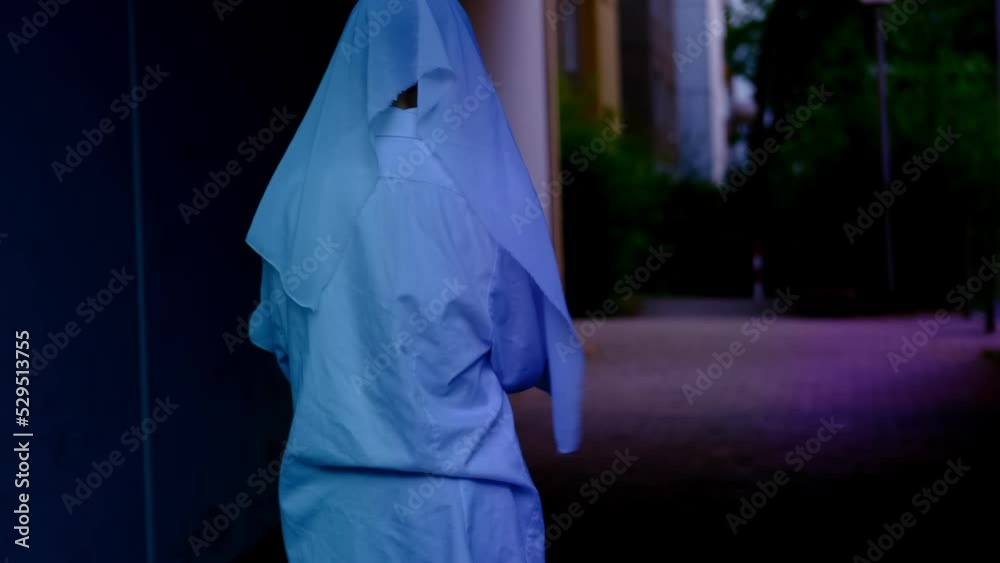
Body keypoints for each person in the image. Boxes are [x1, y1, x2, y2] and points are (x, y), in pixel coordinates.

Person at [244, 1, 583, 561]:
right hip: (461, 510)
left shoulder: (298, 194)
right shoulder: (482, 197)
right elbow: (519, 357)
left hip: (336, 518)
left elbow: (285, 344)